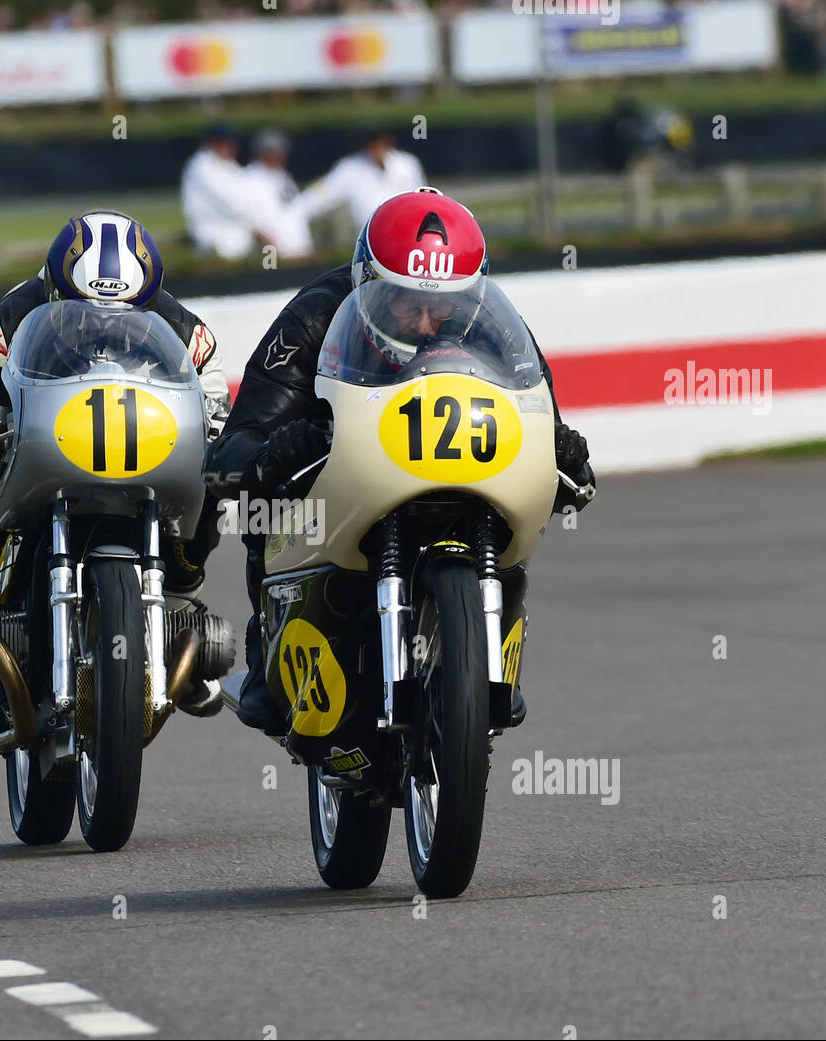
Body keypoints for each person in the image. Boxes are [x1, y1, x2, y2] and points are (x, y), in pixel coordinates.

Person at [201, 187, 596, 737]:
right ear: (369, 283)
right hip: (342, 483)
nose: (428, 320)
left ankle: (484, 647)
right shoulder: (315, 314)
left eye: (445, 304)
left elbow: (536, 414)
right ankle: (268, 653)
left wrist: (564, 451)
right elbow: (233, 448)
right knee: (262, 505)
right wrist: (273, 453)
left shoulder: (495, 321)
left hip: (459, 480)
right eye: (408, 302)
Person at [0, 210, 230, 711]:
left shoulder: (189, 333)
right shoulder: (6, 322)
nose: (102, 323)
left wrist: (220, 429)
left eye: (125, 312)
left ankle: (174, 615)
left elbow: (214, 405)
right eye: (84, 309)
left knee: (216, 482)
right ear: (53, 291)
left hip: (142, 445)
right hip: (43, 443)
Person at [292, 129, 426, 234]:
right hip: (370, 242)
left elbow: (421, 200)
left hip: (409, 237)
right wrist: (294, 211)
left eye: (381, 142)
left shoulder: (407, 164)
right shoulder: (350, 169)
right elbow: (320, 197)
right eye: (372, 143)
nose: (377, 148)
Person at [180, 124, 254, 260]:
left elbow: (248, 194)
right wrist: (251, 217)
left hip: (236, 232)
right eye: (227, 142)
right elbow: (225, 201)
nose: (232, 147)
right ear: (214, 143)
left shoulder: (231, 166)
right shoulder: (200, 165)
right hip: (211, 233)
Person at [242, 129, 313, 260]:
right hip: (270, 251)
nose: (282, 156)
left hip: (298, 249)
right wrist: (271, 247)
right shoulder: (248, 178)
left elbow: (295, 210)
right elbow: (249, 218)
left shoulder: (283, 177)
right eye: (277, 152)